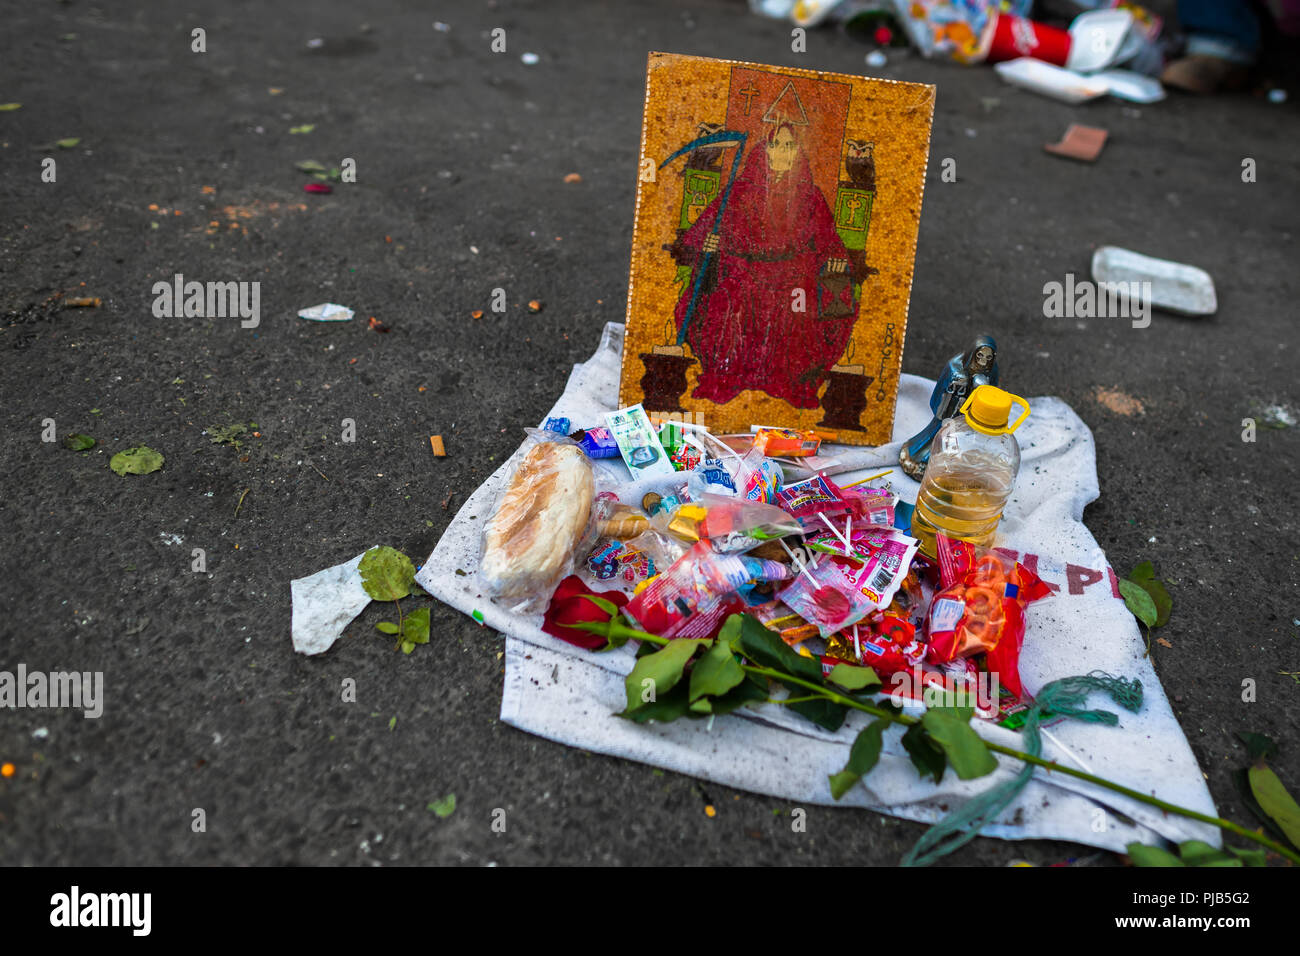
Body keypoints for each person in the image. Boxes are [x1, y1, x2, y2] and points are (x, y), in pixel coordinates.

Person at [668, 122, 856, 410]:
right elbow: (706, 231)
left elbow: (828, 241)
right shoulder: (740, 190)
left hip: (793, 275)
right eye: (776, 144)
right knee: (730, 291)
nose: (782, 151)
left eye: (789, 145)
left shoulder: (810, 195)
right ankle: (729, 372)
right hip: (743, 270)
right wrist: (710, 245)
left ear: (797, 154)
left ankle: (789, 378)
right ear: (764, 150)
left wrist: (835, 257)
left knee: (799, 299)